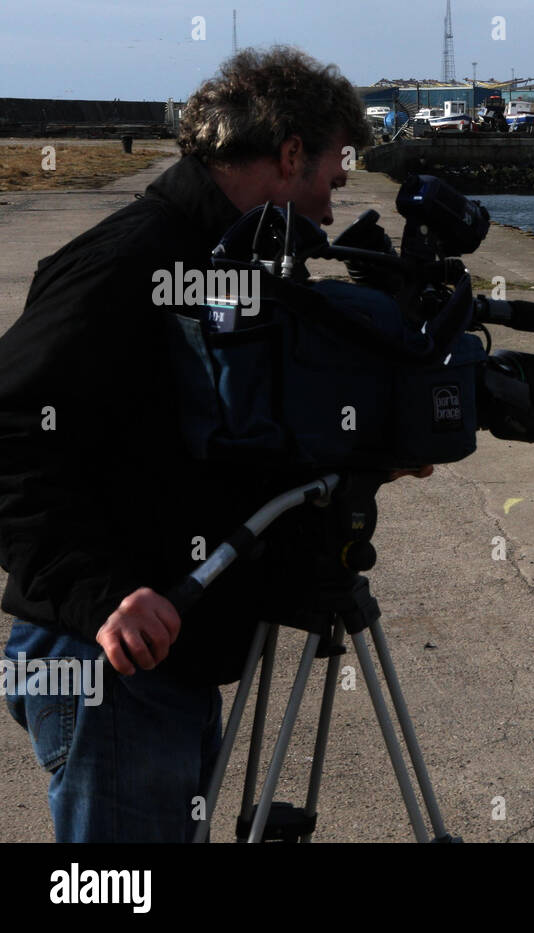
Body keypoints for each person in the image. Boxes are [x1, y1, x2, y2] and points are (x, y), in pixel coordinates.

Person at [0, 46, 418, 842]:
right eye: (332, 179)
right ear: (289, 155)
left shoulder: (233, 266)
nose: (332, 212)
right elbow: (11, 426)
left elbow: (223, 446)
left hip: (167, 664)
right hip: (110, 661)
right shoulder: (129, 259)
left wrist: (369, 459)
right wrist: (105, 595)